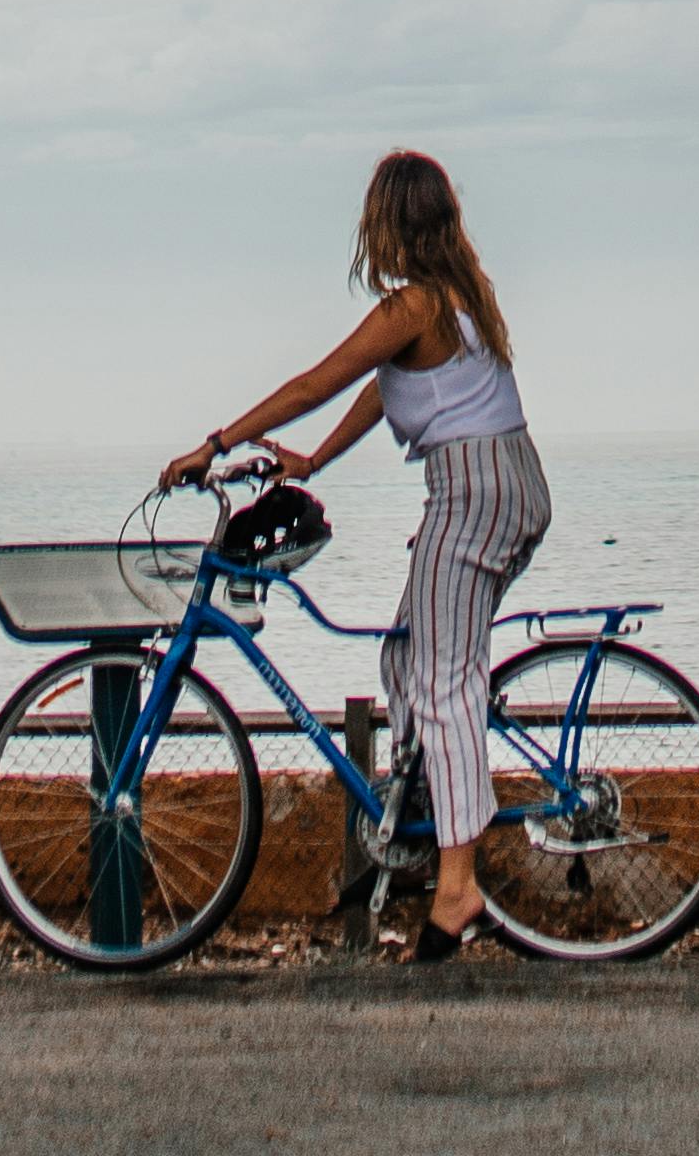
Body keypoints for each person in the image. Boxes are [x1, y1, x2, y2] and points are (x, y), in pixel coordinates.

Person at [162, 147, 550, 956]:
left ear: (385, 224)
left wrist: (215, 442)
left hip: (473, 489)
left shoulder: (411, 307)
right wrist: (309, 462)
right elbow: (382, 392)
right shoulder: (460, 301)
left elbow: (318, 381)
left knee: (442, 681)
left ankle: (456, 887)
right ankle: (421, 818)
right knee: (409, 659)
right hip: (506, 482)